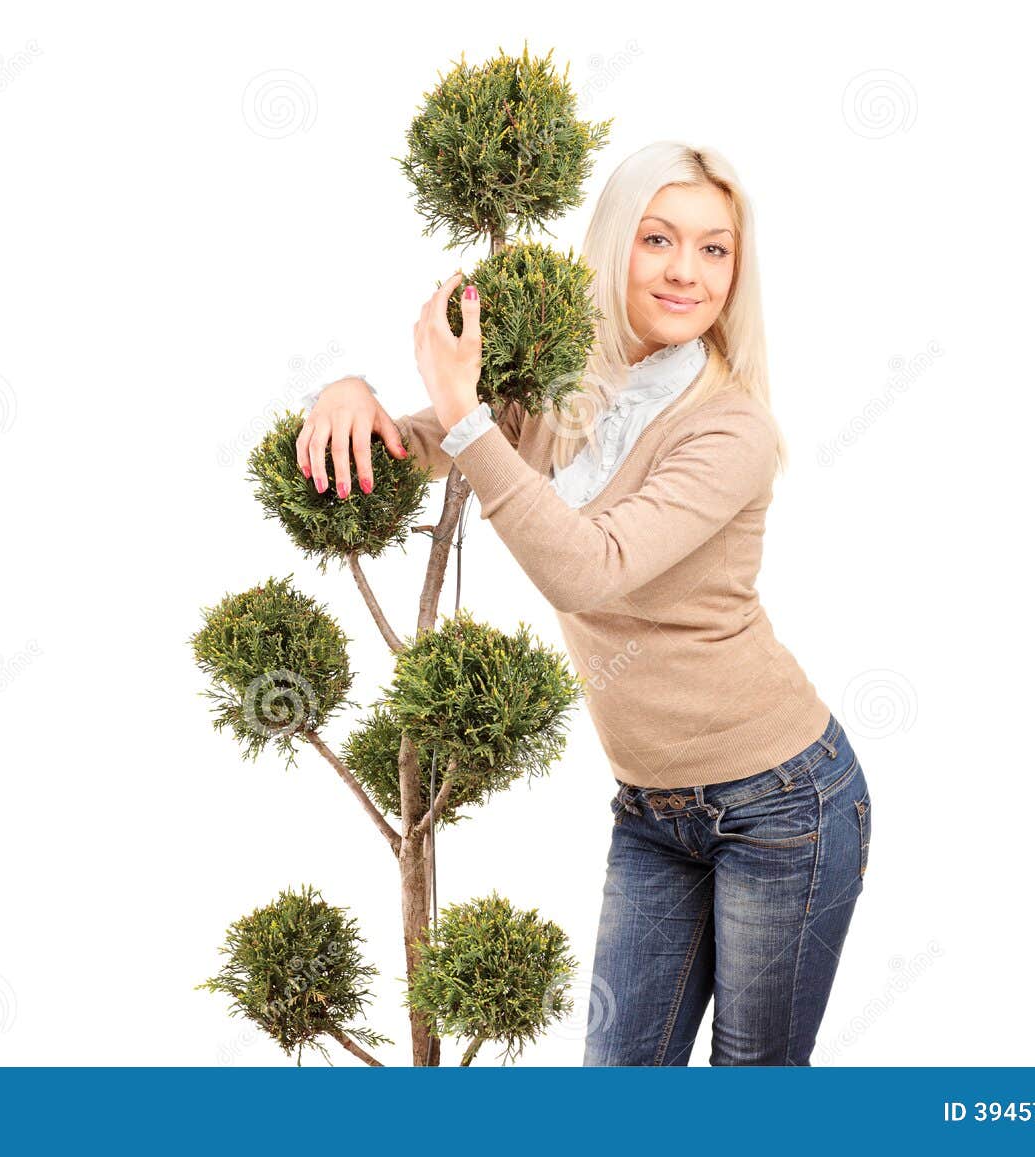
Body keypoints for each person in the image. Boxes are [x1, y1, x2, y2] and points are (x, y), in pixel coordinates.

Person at [294, 141, 871, 1066]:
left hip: (782, 800)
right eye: (658, 240)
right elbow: (425, 442)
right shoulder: (563, 391)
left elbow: (590, 568)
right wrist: (347, 391)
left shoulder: (732, 429)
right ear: (615, 245)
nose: (687, 271)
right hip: (651, 808)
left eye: (715, 249)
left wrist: (469, 417)